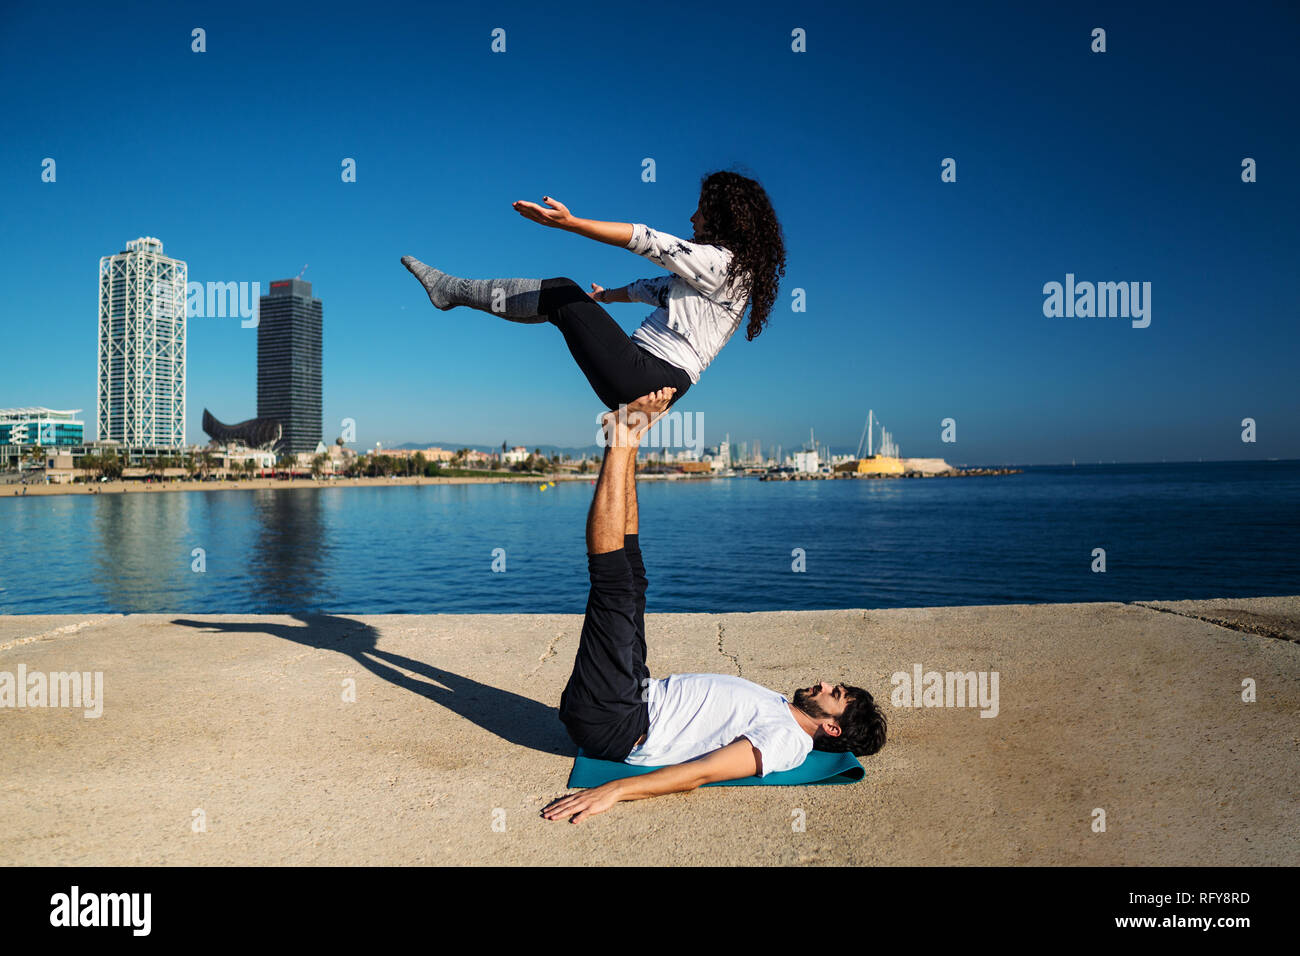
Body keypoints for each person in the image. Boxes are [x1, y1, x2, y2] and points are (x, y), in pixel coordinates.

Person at [543, 388, 887, 824]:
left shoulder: (786, 741)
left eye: (833, 694)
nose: (823, 684)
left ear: (832, 728)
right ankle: (629, 443)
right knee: (634, 575)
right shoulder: (784, 711)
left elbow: (699, 774)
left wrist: (617, 790)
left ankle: (622, 440)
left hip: (616, 721)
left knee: (613, 586)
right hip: (635, 692)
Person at [401, 170, 786, 410]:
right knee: (565, 301)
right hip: (650, 376)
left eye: (701, 210)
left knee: (561, 292)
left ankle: (450, 289)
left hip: (647, 375)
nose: (693, 217)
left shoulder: (723, 266)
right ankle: (452, 292)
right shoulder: (722, 277)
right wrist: (603, 297)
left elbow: (650, 241)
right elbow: (645, 289)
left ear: (723, 216)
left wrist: (570, 223)